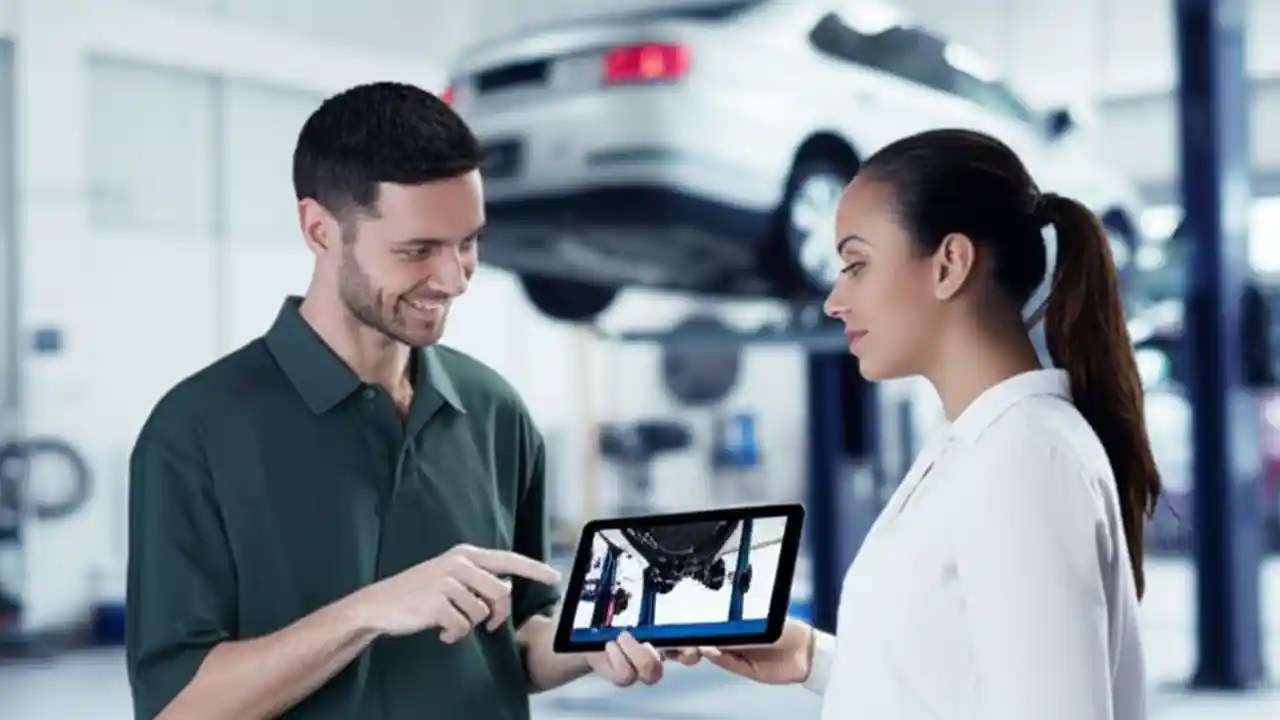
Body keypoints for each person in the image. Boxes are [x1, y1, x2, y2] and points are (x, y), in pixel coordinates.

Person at [124, 81, 666, 720]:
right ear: (320, 230)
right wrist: (367, 612)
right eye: (417, 251)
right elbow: (178, 708)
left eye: (468, 242)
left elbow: (517, 636)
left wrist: (587, 647)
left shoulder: (495, 411)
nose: (455, 279)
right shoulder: (197, 432)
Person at [675, 128, 1159, 719]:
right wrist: (813, 658)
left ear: (949, 265)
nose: (834, 300)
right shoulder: (975, 444)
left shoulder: (1024, 459)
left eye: (856, 264)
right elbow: (951, 677)